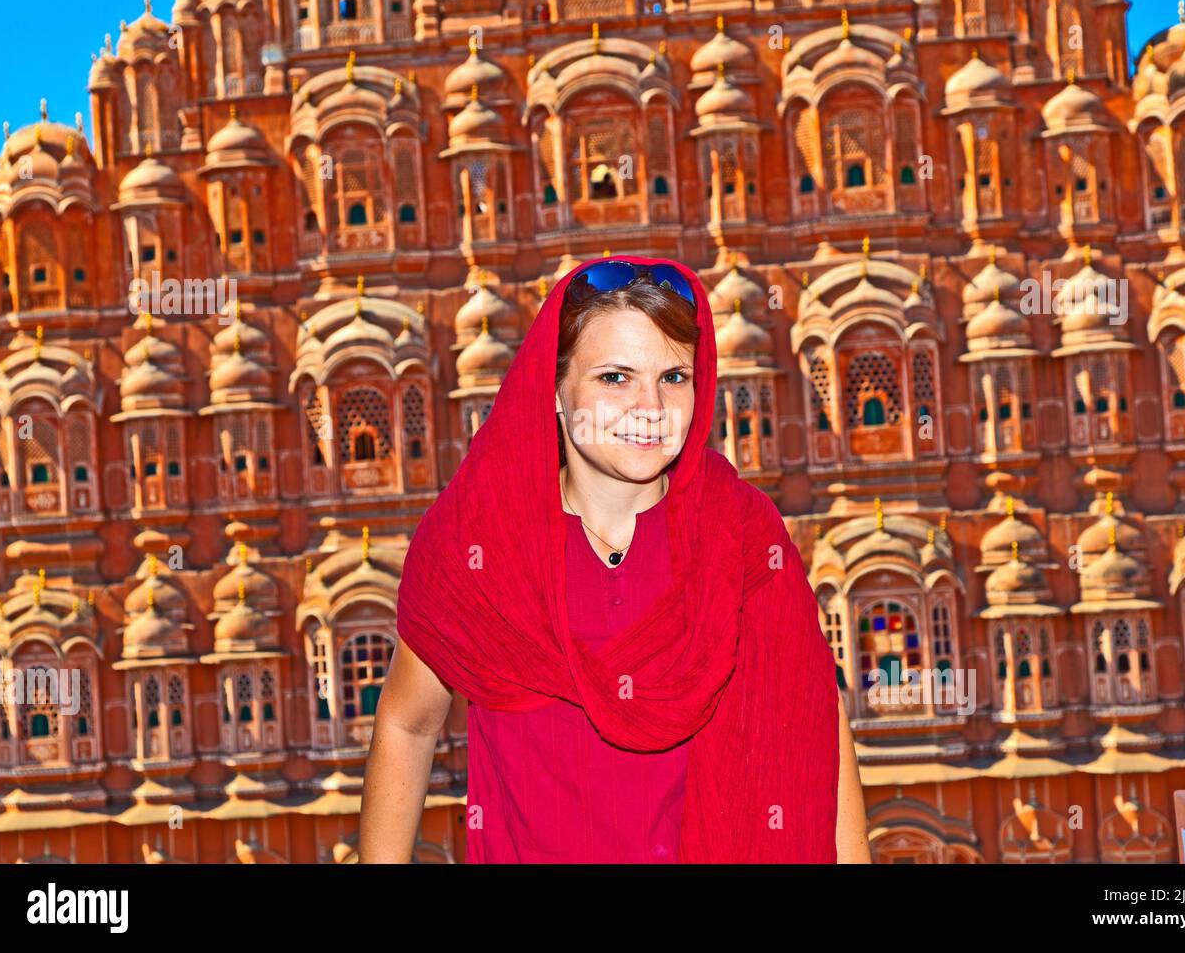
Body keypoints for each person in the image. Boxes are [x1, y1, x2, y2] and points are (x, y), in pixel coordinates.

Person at [360, 254, 869, 863]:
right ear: (553, 389)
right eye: (614, 378)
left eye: (673, 378)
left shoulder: (736, 534)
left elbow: (809, 719)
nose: (649, 406)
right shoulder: (483, 545)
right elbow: (407, 725)